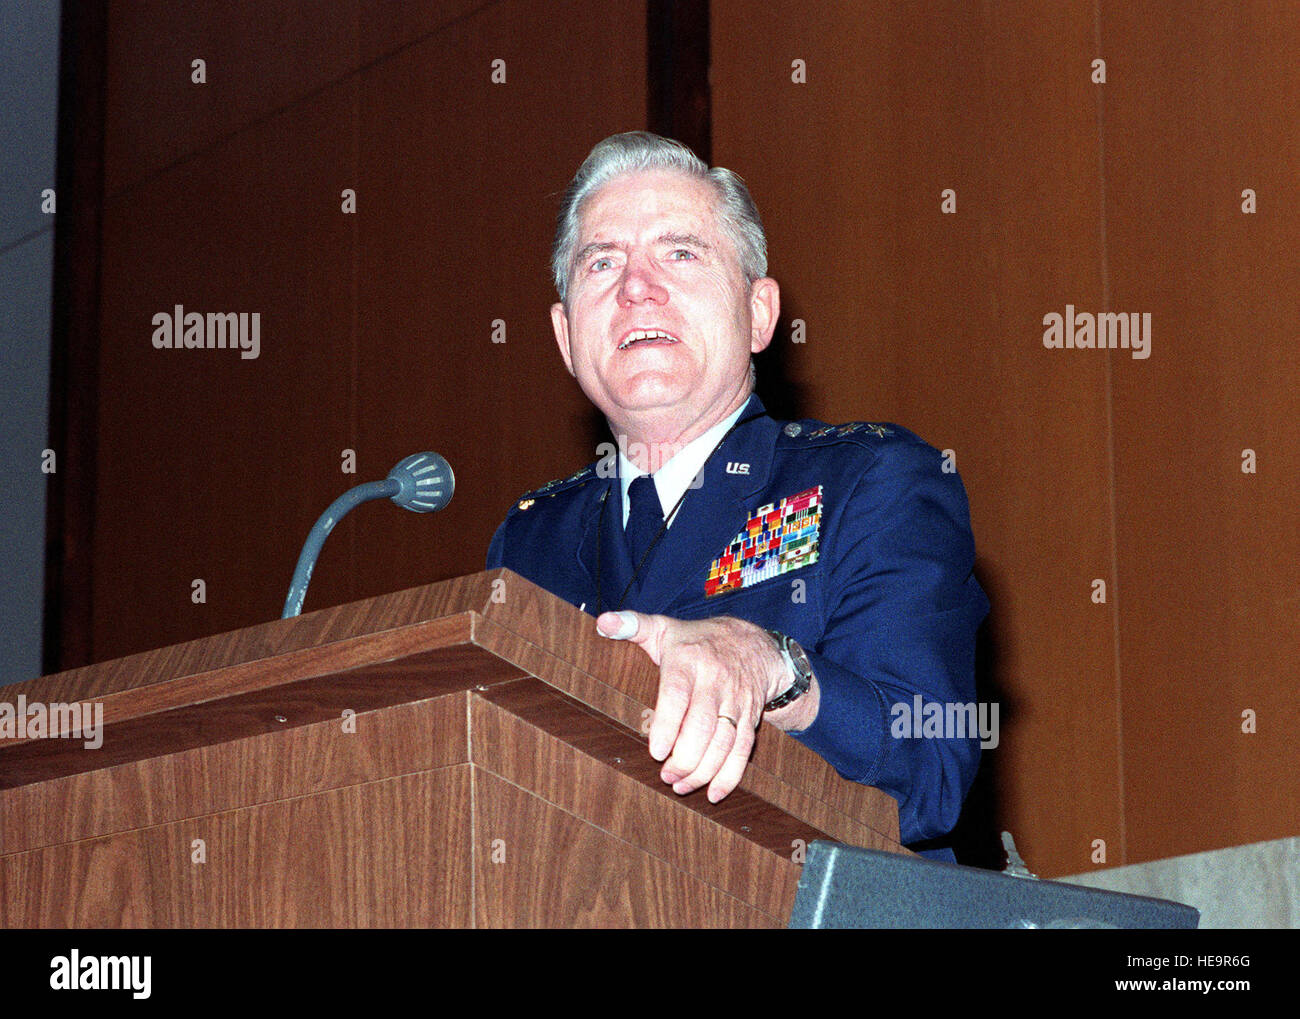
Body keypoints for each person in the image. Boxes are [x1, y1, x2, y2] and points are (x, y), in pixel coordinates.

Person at [486, 132, 988, 850]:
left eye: (680, 253)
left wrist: (773, 667)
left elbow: (931, 768)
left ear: (759, 313)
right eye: (603, 262)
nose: (636, 286)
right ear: (566, 337)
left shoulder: (870, 483)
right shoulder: (530, 540)